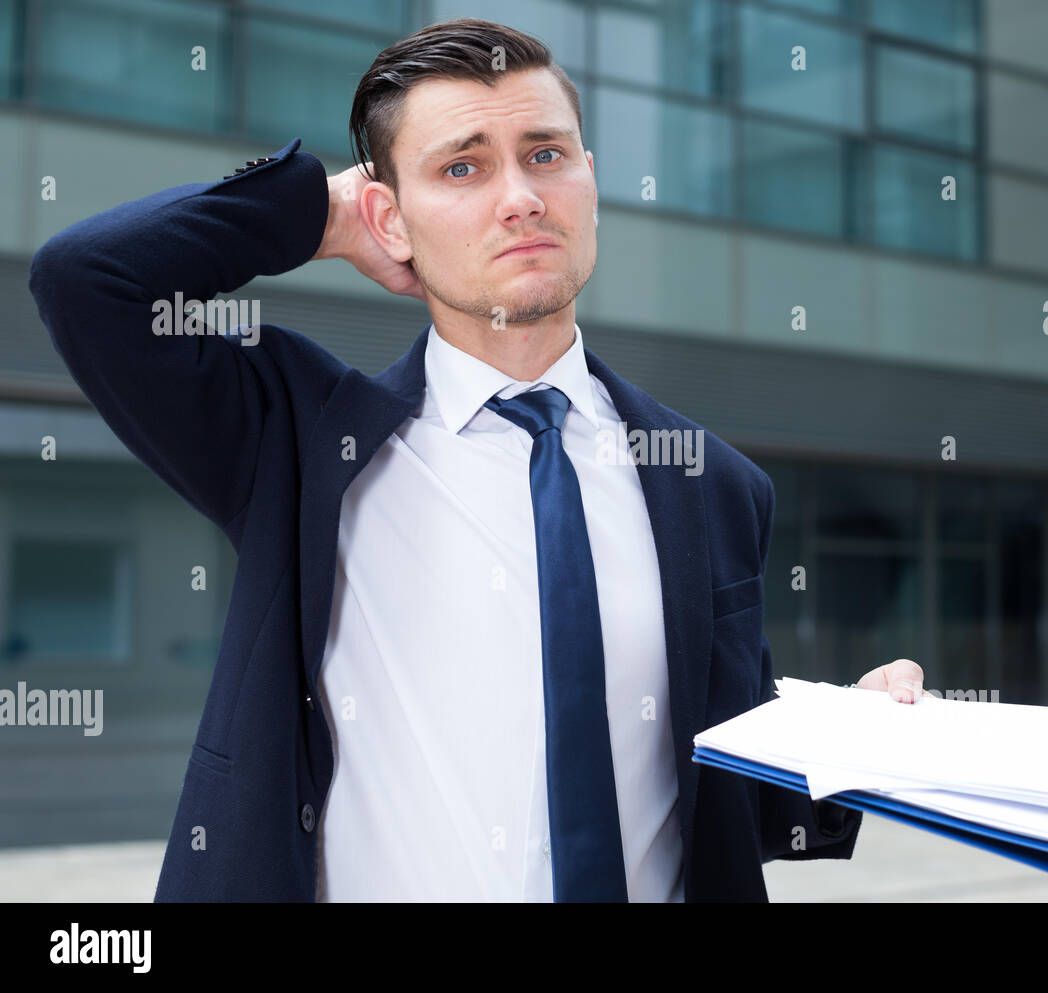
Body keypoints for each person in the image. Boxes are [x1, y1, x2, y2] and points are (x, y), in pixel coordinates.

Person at [28, 17, 925, 902]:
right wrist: (328, 212)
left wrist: (850, 741)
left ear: (590, 180)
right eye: (463, 166)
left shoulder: (712, 484)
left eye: (546, 154)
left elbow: (721, 802)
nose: (522, 196)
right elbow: (87, 280)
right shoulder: (301, 445)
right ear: (391, 213)